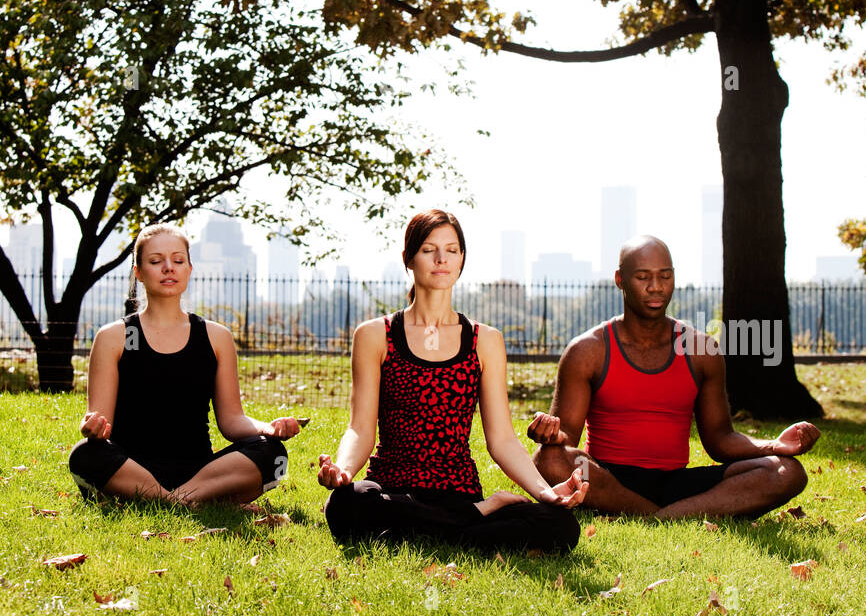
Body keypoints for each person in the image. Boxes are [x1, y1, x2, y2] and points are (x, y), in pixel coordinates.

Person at [319, 209, 588, 553]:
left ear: (462, 259)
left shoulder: (484, 340)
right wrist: (342, 471)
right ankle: (481, 516)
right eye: (429, 250)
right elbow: (360, 429)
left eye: (452, 250)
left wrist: (544, 491)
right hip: (392, 487)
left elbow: (502, 439)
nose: (442, 259)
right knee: (346, 504)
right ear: (409, 259)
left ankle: (441, 525)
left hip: (457, 491)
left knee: (562, 527)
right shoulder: (375, 335)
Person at [528, 235, 819, 519]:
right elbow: (565, 441)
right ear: (620, 280)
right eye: (643, 277)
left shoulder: (702, 351)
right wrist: (549, 433)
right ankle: (666, 516)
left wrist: (773, 446)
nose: (656, 287)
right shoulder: (588, 351)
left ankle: (659, 516)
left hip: (678, 483)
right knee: (548, 458)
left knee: (787, 471)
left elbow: (720, 439)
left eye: (665, 276)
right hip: (606, 476)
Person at [68, 224, 300, 506]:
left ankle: (172, 499)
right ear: (139, 273)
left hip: (198, 471)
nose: (169, 268)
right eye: (156, 261)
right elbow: (101, 422)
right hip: (130, 468)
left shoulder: (215, 337)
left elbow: (231, 421)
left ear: (189, 269)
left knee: (274, 455)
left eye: (178, 261)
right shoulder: (116, 337)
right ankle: (182, 500)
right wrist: (93, 427)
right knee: (84, 454)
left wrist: (268, 429)